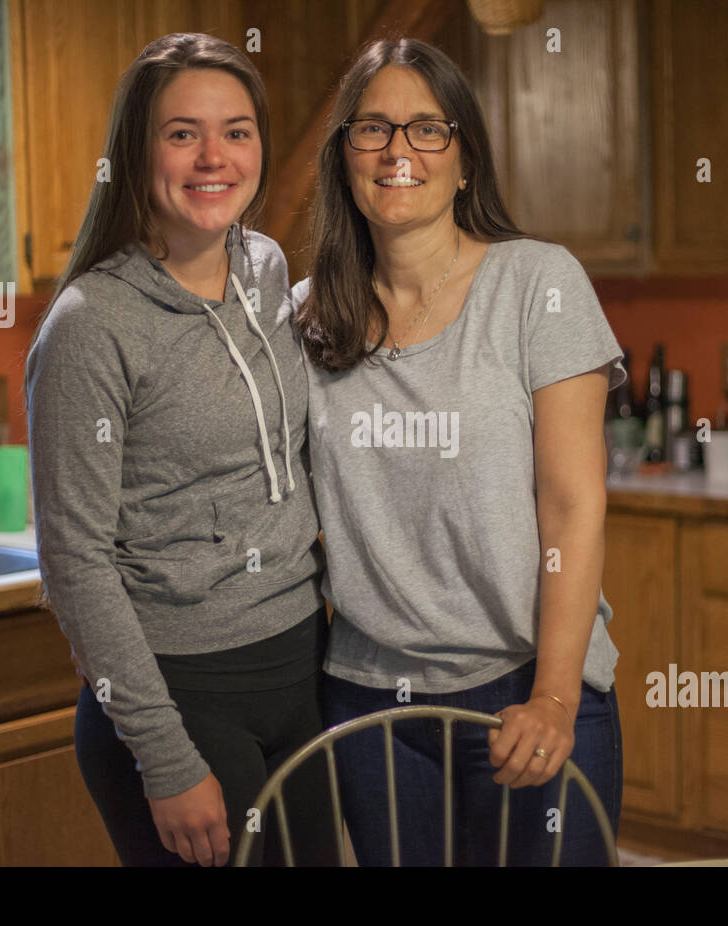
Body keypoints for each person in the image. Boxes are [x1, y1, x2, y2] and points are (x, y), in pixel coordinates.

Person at [293, 38, 625, 866]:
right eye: (372, 130)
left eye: (426, 129)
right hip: (369, 706)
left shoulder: (537, 285)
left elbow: (573, 506)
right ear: (345, 158)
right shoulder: (304, 317)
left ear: (465, 157)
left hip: (528, 685)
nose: (398, 151)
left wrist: (553, 695)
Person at [24, 33, 336, 867]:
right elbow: (74, 561)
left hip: (299, 665)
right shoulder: (92, 326)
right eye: (181, 133)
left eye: (236, 131)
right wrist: (164, 756)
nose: (213, 157)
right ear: (137, 150)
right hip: (182, 692)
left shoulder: (264, 268)